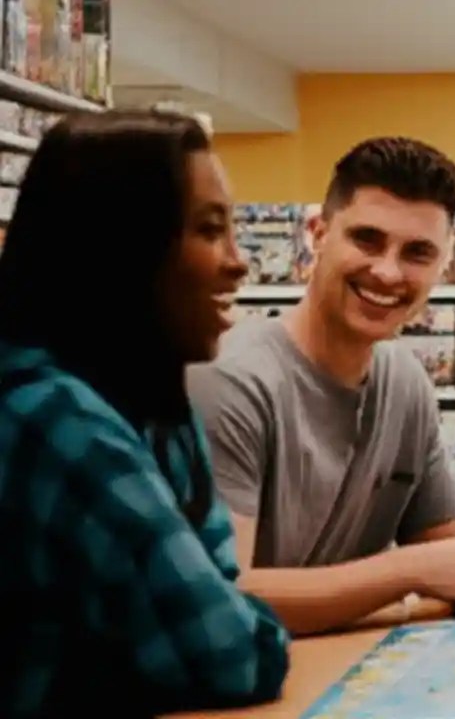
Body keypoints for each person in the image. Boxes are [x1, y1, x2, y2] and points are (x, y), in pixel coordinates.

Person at [0, 110, 289, 716]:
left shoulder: (156, 404)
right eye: (210, 232)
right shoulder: (56, 420)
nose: (239, 262)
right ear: (126, 249)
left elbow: (220, 587)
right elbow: (231, 654)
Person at [187, 137, 455, 637]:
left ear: (442, 266)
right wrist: (410, 576)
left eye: (417, 253)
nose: (388, 271)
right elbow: (218, 596)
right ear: (317, 234)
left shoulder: (406, 384)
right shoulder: (230, 378)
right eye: (367, 239)